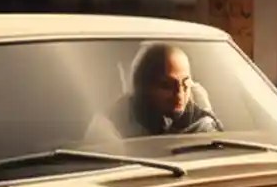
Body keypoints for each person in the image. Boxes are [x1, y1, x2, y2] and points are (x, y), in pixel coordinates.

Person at [86, 43, 223, 140]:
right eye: (166, 85)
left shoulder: (202, 123)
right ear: (144, 88)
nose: (179, 95)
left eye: (185, 84)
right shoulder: (111, 128)